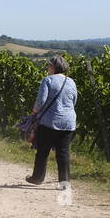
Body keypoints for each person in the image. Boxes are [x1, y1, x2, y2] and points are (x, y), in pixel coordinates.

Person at [25, 55, 79, 189]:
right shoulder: (71, 82)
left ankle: (37, 178)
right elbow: (74, 101)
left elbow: (41, 101)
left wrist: (34, 112)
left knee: (43, 151)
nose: (48, 68)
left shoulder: (47, 80)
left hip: (49, 121)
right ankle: (64, 183)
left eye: (49, 65)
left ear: (53, 67)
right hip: (68, 122)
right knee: (63, 152)